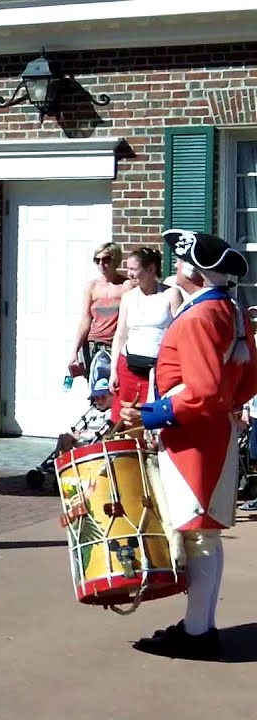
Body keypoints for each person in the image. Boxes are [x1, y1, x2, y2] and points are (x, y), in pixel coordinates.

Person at [119, 229, 257, 660]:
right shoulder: (228, 309)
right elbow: (246, 379)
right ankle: (199, 626)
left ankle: (198, 633)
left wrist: (151, 414)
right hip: (210, 432)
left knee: (198, 537)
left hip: (193, 439)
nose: (175, 267)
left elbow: (201, 390)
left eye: (180, 261)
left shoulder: (199, 316)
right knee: (203, 537)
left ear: (194, 270)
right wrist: (225, 408)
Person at [109, 247, 181, 423]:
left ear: (150, 269)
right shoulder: (128, 297)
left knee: (149, 419)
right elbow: (121, 335)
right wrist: (113, 371)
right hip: (128, 367)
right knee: (123, 419)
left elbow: (181, 335)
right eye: (128, 269)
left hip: (157, 371)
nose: (129, 274)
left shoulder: (171, 294)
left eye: (134, 269)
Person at [69, 241, 130, 379]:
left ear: (116, 260)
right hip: (91, 345)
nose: (101, 264)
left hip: (114, 345)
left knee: (112, 388)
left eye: (106, 259)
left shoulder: (126, 286)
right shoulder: (92, 286)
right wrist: (75, 350)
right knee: (95, 391)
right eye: (97, 260)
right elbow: (85, 319)